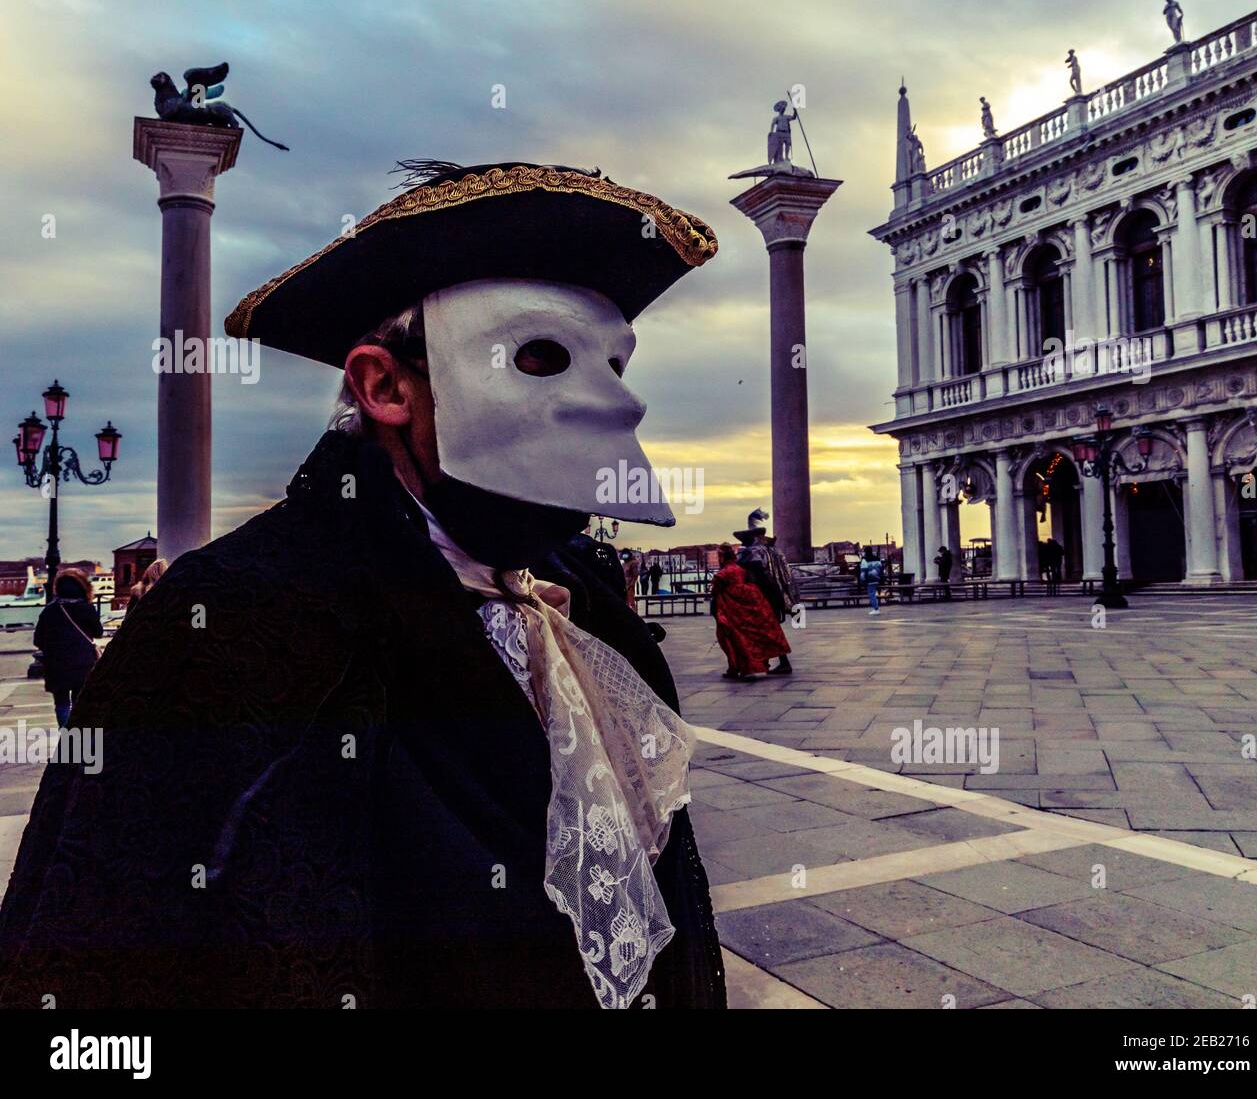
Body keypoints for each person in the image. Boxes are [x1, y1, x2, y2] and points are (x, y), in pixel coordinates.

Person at [0, 160, 726, 1010]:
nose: (621, 404)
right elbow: (105, 955)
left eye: (616, 363)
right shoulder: (235, 621)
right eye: (540, 355)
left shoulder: (590, 605)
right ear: (383, 385)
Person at [31, 569, 102, 729]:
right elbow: (98, 633)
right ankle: (79, 738)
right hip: (83, 663)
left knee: (62, 703)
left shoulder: (50, 611)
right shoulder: (87, 609)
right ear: (84, 587)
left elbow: (38, 640)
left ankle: (67, 738)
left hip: (57, 665)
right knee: (80, 702)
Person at [710, 545, 792, 680]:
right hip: (757, 602)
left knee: (735, 636)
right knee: (765, 633)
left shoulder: (723, 574)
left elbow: (715, 590)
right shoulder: (743, 568)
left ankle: (742, 666)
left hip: (733, 609)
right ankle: (775, 662)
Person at [859, 548, 885, 616]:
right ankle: (875, 608)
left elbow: (863, 572)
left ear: (865, 552)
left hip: (870, 580)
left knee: (872, 594)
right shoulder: (877, 559)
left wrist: (862, 581)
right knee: (873, 594)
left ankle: (876, 609)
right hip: (877, 578)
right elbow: (881, 569)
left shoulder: (864, 560)